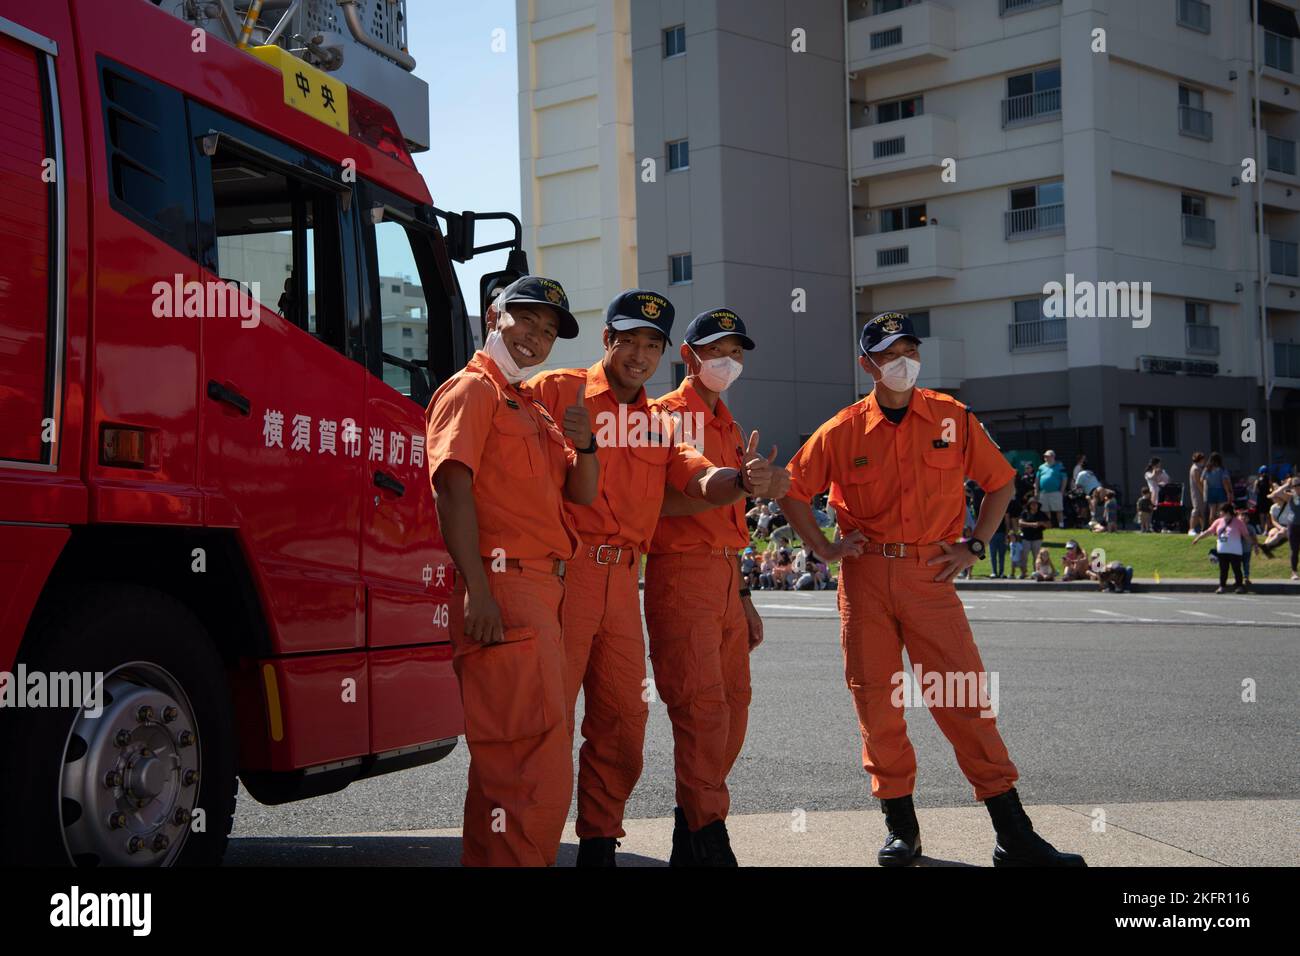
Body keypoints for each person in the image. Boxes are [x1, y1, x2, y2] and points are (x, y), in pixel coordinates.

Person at [778, 310, 1084, 868]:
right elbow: (792, 490)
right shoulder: (843, 429)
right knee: (878, 704)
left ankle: (1014, 835)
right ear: (866, 363)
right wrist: (823, 549)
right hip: (865, 577)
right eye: (890, 354)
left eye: (910, 351)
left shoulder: (951, 417)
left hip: (930, 576)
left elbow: (1000, 482)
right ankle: (902, 830)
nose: (903, 363)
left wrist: (974, 544)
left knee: (963, 699)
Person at [528, 290, 767, 867]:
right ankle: (527, 848)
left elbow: (697, 480)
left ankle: (598, 845)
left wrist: (742, 482)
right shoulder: (555, 391)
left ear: (663, 353)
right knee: (547, 721)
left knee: (622, 721)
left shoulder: (656, 425)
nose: (639, 354)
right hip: (565, 573)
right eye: (629, 340)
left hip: (621, 582)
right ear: (606, 340)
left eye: (650, 345)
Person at [424, 275, 598, 867]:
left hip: (539, 589)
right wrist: (479, 589)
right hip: (506, 586)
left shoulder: (528, 404)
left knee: (510, 759)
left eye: (549, 331)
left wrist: (588, 445)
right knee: (534, 763)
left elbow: (581, 492)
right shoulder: (474, 391)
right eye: (526, 320)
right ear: (493, 315)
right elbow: (452, 487)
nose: (536, 337)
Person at [646, 307, 791, 866]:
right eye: (717, 351)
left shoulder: (728, 423)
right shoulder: (661, 416)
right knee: (702, 709)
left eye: (736, 354)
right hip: (681, 572)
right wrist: (732, 488)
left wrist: (746, 595)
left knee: (733, 707)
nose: (728, 362)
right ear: (689, 357)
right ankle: (709, 840)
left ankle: (692, 828)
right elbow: (649, 503)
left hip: (726, 578)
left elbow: (733, 520)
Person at [1192, 502, 1257, 594]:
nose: (1220, 513)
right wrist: (1198, 538)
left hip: (1235, 551)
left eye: (1221, 511)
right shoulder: (1218, 521)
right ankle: (1222, 586)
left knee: (1236, 569)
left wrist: (1254, 545)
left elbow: (1246, 536)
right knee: (1223, 570)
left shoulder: (1238, 523)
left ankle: (1239, 586)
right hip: (1222, 550)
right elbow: (1209, 531)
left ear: (1227, 512)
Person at [1035, 450, 1068, 529]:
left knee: (1059, 510)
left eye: (1047, 456)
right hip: (1043, 492)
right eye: (1045, 456)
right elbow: (1037, 479)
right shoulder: (1041, 467)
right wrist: (1036, 491)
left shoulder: (1060, 467)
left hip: (1056, 492)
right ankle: (1049, 526)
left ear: (1053, 457)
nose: (1045, 458)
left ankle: (1061, 525)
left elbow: (1064, 479)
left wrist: (1062, 490)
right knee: (1046, 510)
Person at [989, 514, 1009, 579]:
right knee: (993, 554)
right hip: (992, 534)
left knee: (1001, 555)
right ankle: (994, 572)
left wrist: (1006, 535)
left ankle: (1001, 572)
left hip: (1002, 534)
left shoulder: (1004, 511)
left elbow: (1007, 523)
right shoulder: (990, 512)